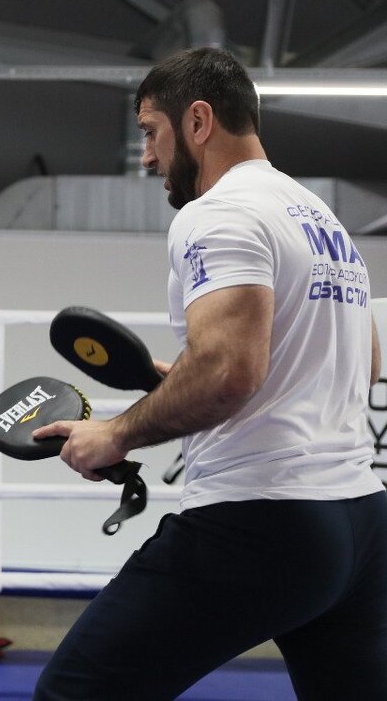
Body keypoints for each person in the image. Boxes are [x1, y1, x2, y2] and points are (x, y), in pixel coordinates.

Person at [30, 47, 387, 700]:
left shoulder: (218, 213)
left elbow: (228, 373)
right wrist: (183, 377)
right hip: (359, 526)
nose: (145, 156)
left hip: (262, 518)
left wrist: (115, 436)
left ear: (197, 121)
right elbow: (360, 362)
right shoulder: (321, 220)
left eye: (150, 132)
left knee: (73, 695)